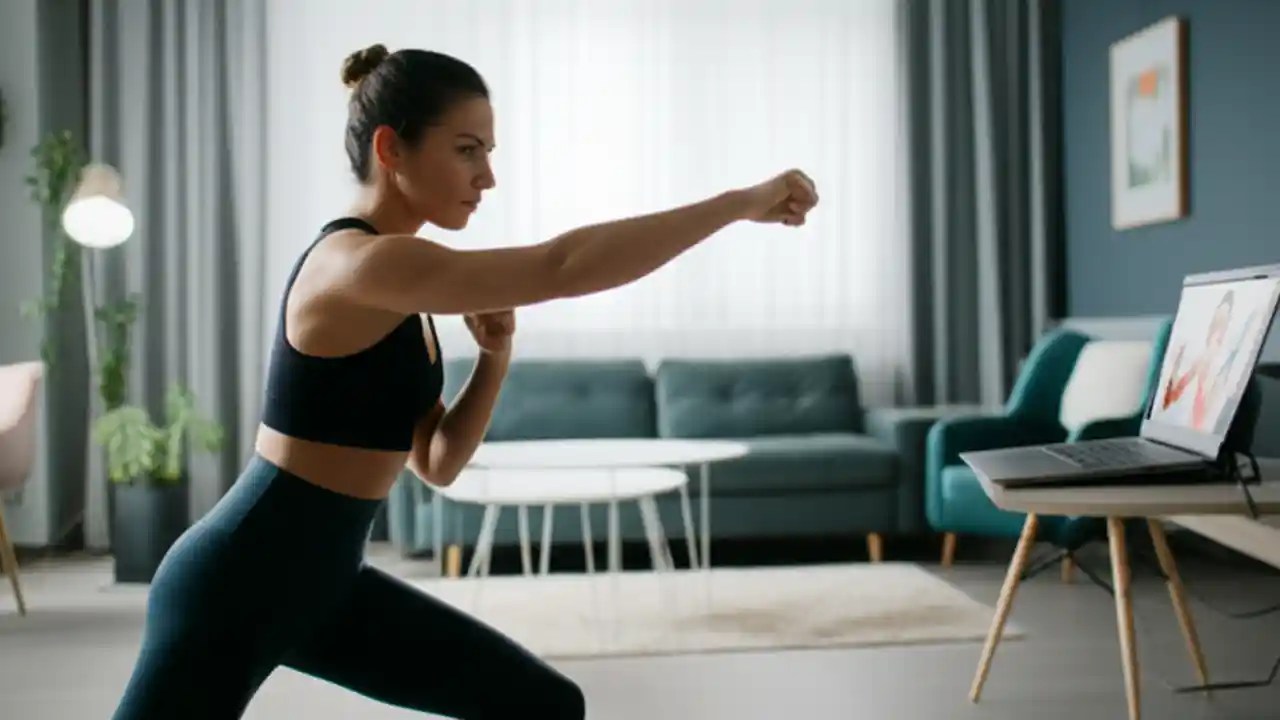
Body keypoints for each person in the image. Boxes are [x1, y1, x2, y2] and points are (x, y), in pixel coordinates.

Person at [111, 44, 818, 720]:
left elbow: (436, 462)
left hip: (326, 585)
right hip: (242, 580)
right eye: (467, 150)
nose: (487, 177)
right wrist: (735, 204)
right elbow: (560, 266)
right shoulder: (357, 265)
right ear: (391, 149)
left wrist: (493, 358)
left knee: (538, 705)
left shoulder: (406, 289)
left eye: (489, 152)